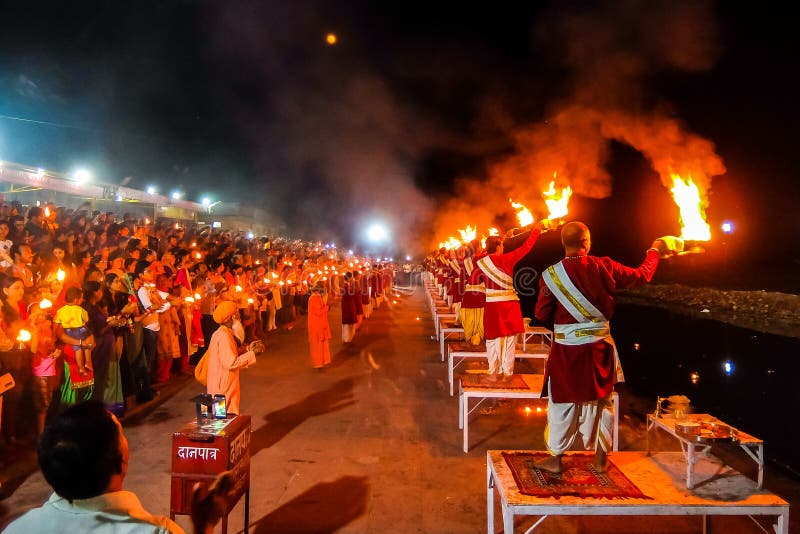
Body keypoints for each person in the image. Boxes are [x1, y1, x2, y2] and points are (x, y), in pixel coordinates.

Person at [533, 222, 680, 474]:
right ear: (586, 242)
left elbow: (541, 312)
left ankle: (556, 459)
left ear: (563, 243)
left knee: (561, 403)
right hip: (600, 348)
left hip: (567, 350)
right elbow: (642, 275)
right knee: (603, 403)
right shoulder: (605, 266)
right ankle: (600, 459)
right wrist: (654, 251)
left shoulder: (550, 275)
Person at [4, 400, 231, 534]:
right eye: (121, 434)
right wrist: (204, 526)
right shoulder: (155, 531)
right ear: (120, 460)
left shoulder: (18, 529)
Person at [474, 222, 546, 381]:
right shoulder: (508, 258)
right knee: (509, 339)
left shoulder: (480, 261)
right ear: (499, 246)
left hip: (492, 304)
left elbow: (478, 254)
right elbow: (526, 247)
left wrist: (498, 241)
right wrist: (536, 231)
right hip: (509, 304)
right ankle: (507, 373)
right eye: (501, 245)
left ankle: (493, 373)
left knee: (492, 339)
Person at [206, 301, 264, 415]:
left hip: (223, 383)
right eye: (237, 313)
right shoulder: (224, 336)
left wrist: (247, 349)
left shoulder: (222, 333)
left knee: (226, 419)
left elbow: (228, 354)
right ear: (231, 317)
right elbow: (230, 363)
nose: (239, 316)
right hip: (222, 387)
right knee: (221, 420)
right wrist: (252, 354)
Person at [54, 286, 94, 375]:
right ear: (76, 300)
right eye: (81, 298)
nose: (82, 300)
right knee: (87, 343)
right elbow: (86, 319)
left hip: (69, 332)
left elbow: (56, 323)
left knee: (78, 350)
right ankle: (88, 361)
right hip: (78, 332)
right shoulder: (80, 310)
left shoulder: (60, 311)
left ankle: (81, 367)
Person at [307, 281, 332, 369]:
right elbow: (318, 312)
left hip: (319, 323)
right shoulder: (314, 298)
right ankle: (318, 363)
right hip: (316, 324)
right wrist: (326, 308)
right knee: (317, 344)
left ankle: (322, 361)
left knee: (321, 343)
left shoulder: (316, 297)